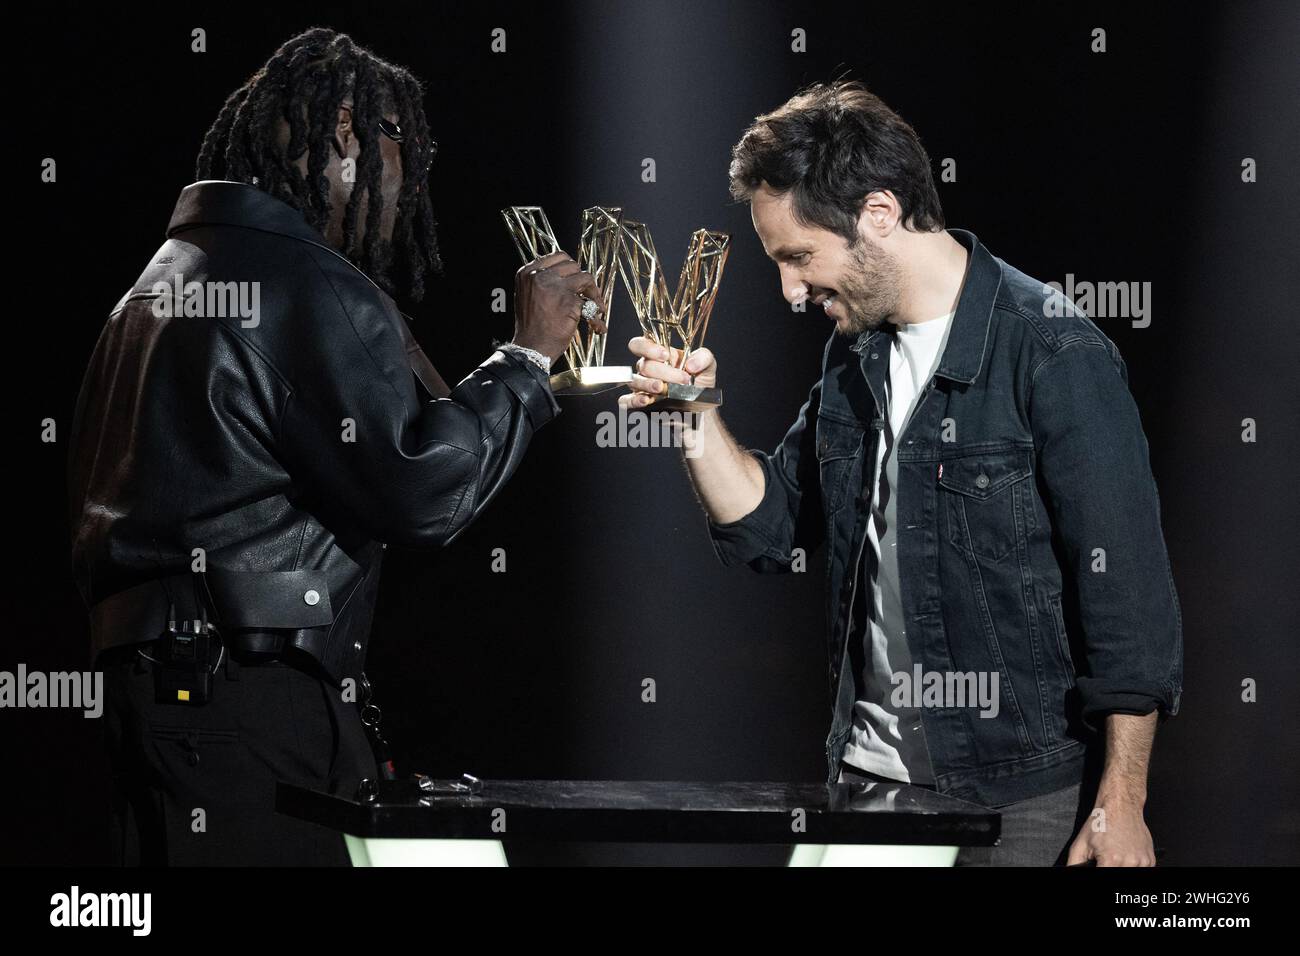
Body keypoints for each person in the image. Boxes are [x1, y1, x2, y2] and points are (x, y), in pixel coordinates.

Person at [67, 27, 601, 866]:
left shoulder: (160, 280)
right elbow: (423, 490)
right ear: (347, 132)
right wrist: (529, 359)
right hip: (250, 693)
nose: (403, 193)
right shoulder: (299, 278)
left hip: (159, 696)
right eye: (404, 159)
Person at [625, 80, 1183, 866]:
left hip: (1016, 796)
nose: (790, 290)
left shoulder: (1054, 352)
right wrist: (693, 415)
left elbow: (1130, 600)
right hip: (864, 783)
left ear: (878, 215)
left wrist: (1121, 803)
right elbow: (767, 528)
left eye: (799, 257)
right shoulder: (855, 353)